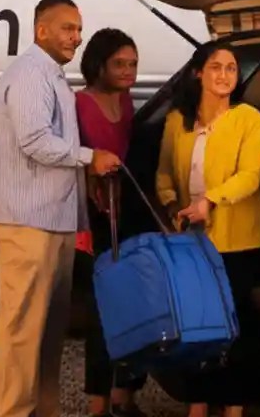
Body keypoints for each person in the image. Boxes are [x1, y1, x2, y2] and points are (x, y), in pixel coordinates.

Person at [0, 0, 120, 417]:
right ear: (42, 30)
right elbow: (35, 141)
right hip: (25, 218)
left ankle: (41, 410)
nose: (76, 37)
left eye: (78, 29)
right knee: (21, 328)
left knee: (45, 330)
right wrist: (89, 157)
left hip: (49, 218)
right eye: (67, 28)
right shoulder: (29, 75)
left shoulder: (53, 76)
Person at [155, 43, 260, 417]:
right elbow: (164, 175)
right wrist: (174, 205)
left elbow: (250, 176)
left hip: (237, 240)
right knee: (196, 326)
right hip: (190, 241)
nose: (224, 75)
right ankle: (198, 405)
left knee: (233, 323)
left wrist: (211, 201)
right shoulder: (177, 121)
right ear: (198, 73)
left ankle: (234, 407)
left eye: (232, 68)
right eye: (216, 67)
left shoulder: (248, 119)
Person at [72, 28, 150, 417]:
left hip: (128, 213)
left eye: (133, 64)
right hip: (96, 219)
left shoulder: (128, 101)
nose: (128, 71)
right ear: (98, 64)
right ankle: (97, 402)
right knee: (101, 312)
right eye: (120, 63)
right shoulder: (79, 104)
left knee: (136, 306)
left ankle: (126, 395)